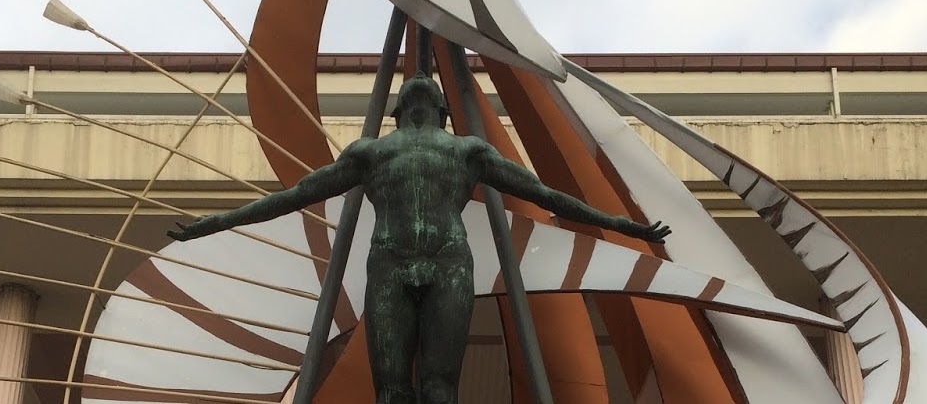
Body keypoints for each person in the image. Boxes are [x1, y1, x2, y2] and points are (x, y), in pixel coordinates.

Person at [169, 73, 671, 404]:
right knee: (390, 391)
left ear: (444, 113)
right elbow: (296, 195)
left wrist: (624, 226)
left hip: (449, 262)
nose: (419, 86)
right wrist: (214, 223)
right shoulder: (369, 152)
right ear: (396, 111)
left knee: (438, 389)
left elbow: (546, 196)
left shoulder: (468, 151)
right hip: (388, 263)